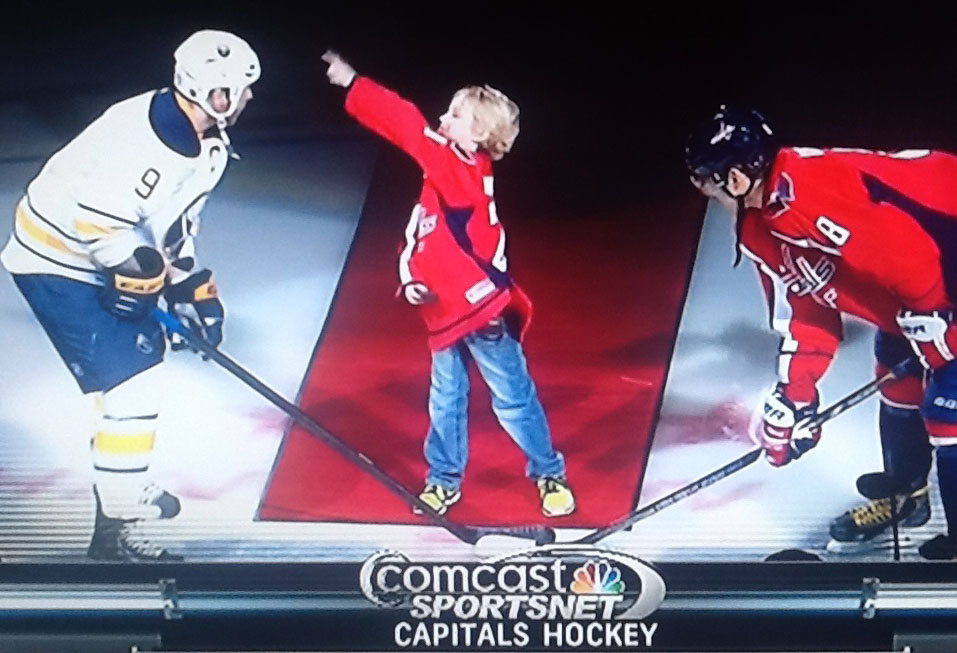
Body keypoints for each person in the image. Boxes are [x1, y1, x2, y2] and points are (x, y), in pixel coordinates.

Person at [1, 29, 261, 560]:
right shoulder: (142, 138)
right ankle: (117, 522)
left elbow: (170, 228)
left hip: (94, 259)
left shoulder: (206, 141)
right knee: (134, 384)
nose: (250, 97)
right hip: (54, 262)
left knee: (137, 370)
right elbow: (95, 222)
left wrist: (187, 285)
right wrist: (138, 272)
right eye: (241, 87)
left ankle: (119, 490)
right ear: (215, 93)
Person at [685, 106, 957, 559]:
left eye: (705, 181)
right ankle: (906, 496)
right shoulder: (760, 227)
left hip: (945, 274)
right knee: (896, 376)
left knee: (947, 410)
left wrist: (936, 325)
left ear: (734, 179)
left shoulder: (810, 194)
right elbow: (807, 308)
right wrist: (795, 395)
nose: (702, 191)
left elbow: (908, 256)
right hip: (924, 292)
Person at [321, 51, 574, 518]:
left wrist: (354, 82)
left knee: (512, 398)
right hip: (444, 310)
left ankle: (548, 472)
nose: (442, 118)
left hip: (481, 314)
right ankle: (443, 480)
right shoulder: (442, 177)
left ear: (479, 134)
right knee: (446, 399)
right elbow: (424, 235)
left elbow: (403, 121)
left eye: (455, 114)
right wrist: (412, 279)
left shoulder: (459, 170)